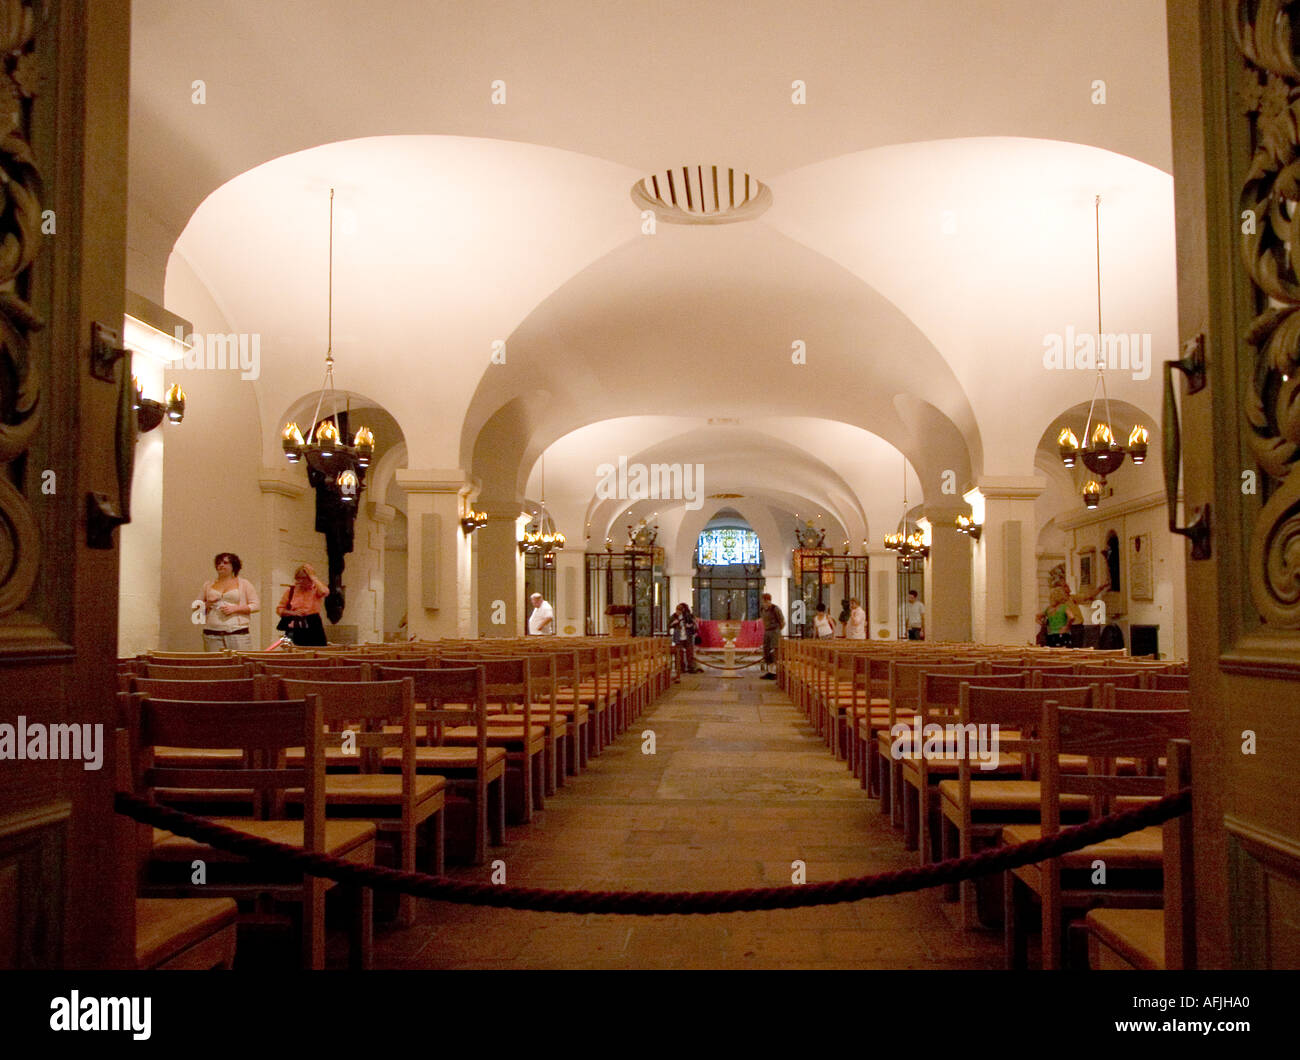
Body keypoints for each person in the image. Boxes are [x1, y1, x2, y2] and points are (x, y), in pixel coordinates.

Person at [199, 552, 260, 651]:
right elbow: (196, 607)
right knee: (215, 664)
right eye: (218, 563)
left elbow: (256, 605)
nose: (221, 565)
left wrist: (235, 609)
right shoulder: (208, 585)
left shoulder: (244, 584)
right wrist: (207, 604)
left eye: (225, 563)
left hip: (237, 632)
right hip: (212, 633)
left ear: (234, 566)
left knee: (240, 662)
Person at [275, 563, 330, 646]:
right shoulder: (291, 591)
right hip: (295, 624)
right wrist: (293, 613)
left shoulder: (316, 589)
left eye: (304, 578)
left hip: (313, 623)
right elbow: (279, 609)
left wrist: (313, 578)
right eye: (298, 578)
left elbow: (324, 592)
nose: (300, 581)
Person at [668, 602, 701, 676]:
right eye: (677, 610)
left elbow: (695, 625)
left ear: (683, 610)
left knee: (690, 653)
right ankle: (680, 668)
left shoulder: (689, 616)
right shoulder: (673, 616)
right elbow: (669, 625)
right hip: (678, 637)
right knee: (679, 654)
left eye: (679, 610)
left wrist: (690, 625)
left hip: (688, 637)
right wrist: (674, 623)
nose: (678, 612)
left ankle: (691, 668)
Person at [759, 592, 784, 679]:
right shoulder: (762, 609)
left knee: (774, 652)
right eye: (764, 601)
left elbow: (782, 621)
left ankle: (775, 672)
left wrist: (777, 631)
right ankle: (770, 671)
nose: (766, 603)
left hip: (775, 631)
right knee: (766, 651)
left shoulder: (775, 609)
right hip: (767, 631)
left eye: (767, 601)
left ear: (770, 601)